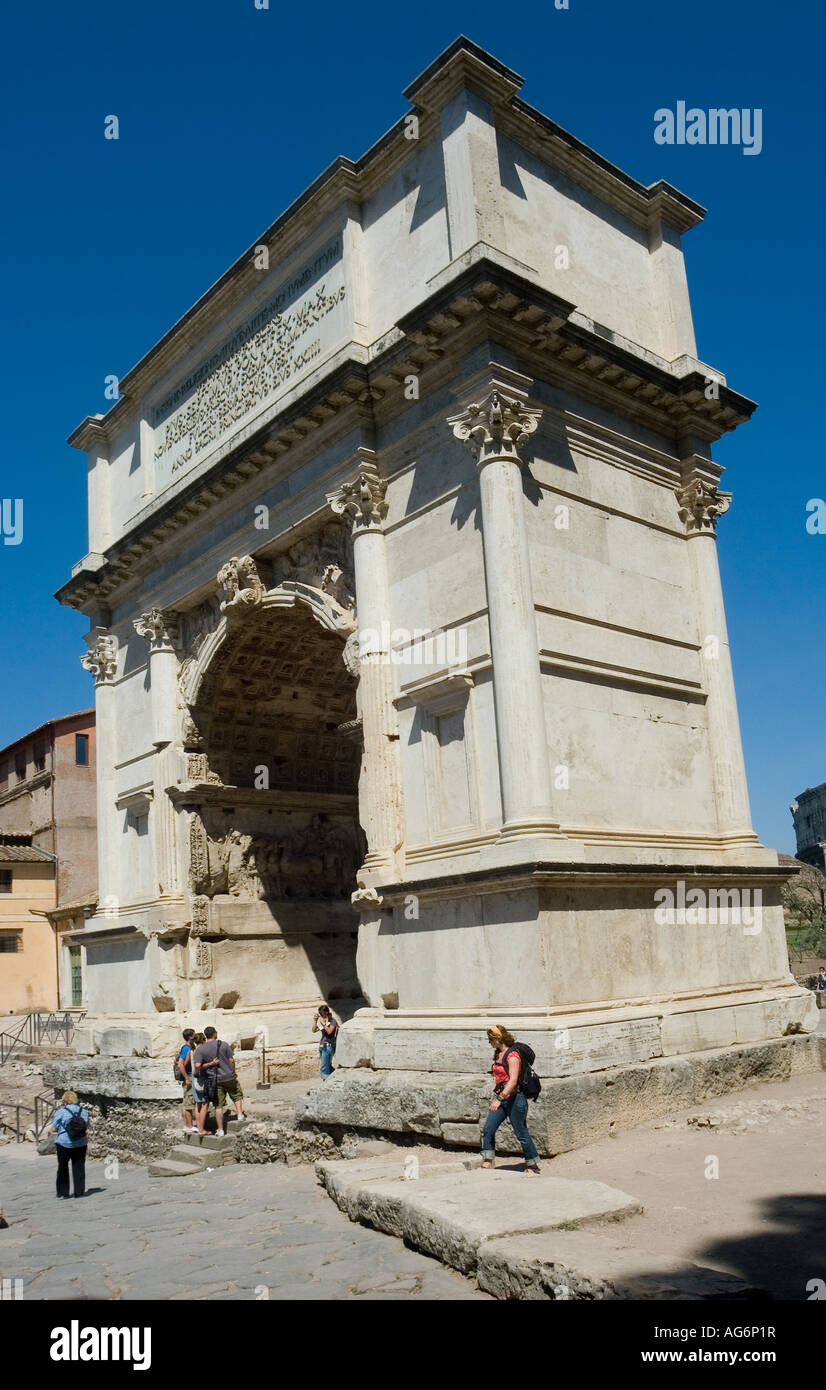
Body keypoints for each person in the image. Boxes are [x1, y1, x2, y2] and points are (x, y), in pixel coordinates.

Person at [481, 1025, 540, 1175]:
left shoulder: (513, 1056)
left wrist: (499, 1099)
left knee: (521, 1132)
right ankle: (488, 1159)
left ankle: (532, 1164)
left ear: (498, 1039)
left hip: (515, 1099)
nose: (490, 1043)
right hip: (503, 1098)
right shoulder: (498, 1054)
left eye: (491, 1040)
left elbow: (513, 1081)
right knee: (488, 1128)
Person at [194, 1027, 245, 1136]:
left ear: (206, 1036)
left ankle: (221, 1130)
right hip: (228, 1076)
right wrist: (233, 1071)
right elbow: (231, 1060)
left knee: (218, 1105)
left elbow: (197, 1065)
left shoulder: (201, 1049)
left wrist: (208, 1065)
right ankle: (240, 1114)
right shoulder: (224, 1044)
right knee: (236, 1094)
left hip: (214, 1079)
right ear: (215, 1034)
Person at [51, 1090, 90, 1199]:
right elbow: (86, 1125)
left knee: (63, 1167)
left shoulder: (61, 1112)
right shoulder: (84, 1111)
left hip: (64, 1143)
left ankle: (63, 1192)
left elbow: (54, 1128)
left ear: (65, 1101)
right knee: (79, 1166)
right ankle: (79, 1191)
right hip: (81, 1143)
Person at [176, 1028, 197, 1132]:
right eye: (194, 1035)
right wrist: (187, 1077)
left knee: (186, 1102)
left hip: (189, 1076)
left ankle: (187, 1125)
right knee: (188, 1103)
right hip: (189, 1077)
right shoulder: (186, 1048)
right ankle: (189, 1126)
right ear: (190, 1037)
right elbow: (181, 1064)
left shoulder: (189, 1047)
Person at [313, 1004, 339, 1078]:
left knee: (324, 1068)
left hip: (328, 1046)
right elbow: (314, 1030)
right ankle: (334, 1080)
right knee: (327, 1065)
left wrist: (324, 1024)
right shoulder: (323, 1021)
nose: (322, 1015)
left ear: (327, 1012)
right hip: (322, 1046)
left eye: (323, 1014)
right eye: (320, 1014)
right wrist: (315, 1021)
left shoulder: (332, 1021)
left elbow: (330, 1031)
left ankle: (326, 1084)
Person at [189, 1031, 208, 1135]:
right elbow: (198, 1066)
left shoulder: (193, 1050)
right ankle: (201, 1129)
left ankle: (199, 1128)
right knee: (204, 1104)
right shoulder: (201, 1050)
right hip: (201, 1078)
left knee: (198, 1105)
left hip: (194, 1079)